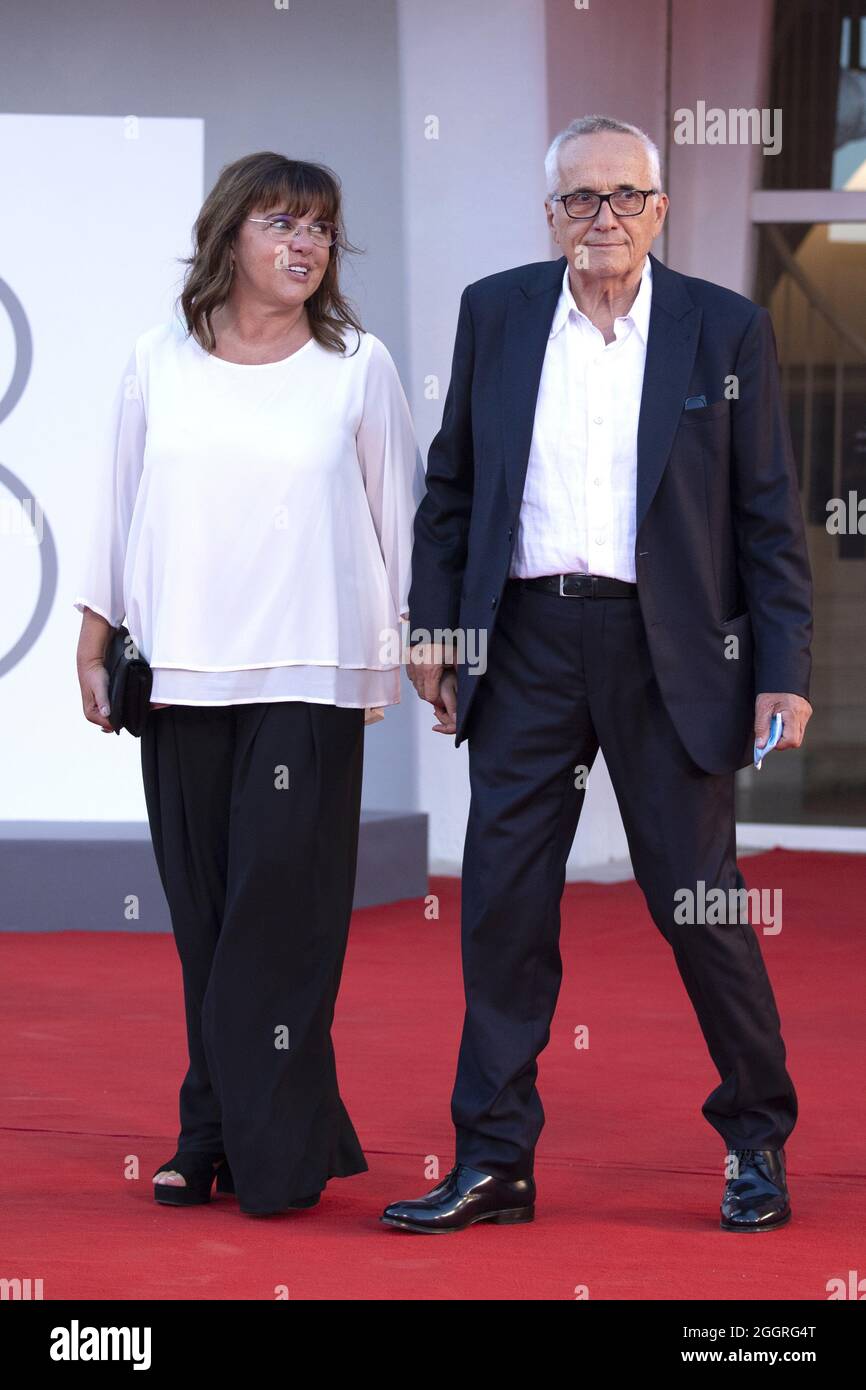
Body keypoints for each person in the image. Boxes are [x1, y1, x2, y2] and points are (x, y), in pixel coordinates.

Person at [383, 114, 813, 1235]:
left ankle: (755, 1138)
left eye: (624, 196)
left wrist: (783, 670)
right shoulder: (498, 312)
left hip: (667, 650)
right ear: (548, 215)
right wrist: (437, 632)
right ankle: (493, 1158)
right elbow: (452, 489)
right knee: (502, 906)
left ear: (659, 210)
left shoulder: (724, 331)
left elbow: (767, 518)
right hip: (522, 642)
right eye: (580, 199)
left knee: (696, 900)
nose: (603, 218)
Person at [75, 151, 423, 1216]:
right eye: (283, 223)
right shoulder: (157, 359)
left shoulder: (356, 364)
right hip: (180, 673)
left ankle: (265, 1148)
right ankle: (215, 1129)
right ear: (229, 234)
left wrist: (423, 652)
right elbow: (117, 505)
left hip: (309, 674)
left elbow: (399, 519)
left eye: (320, 229)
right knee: (209, 920)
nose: (306, 246)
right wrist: (94, 641)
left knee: (284, 916)